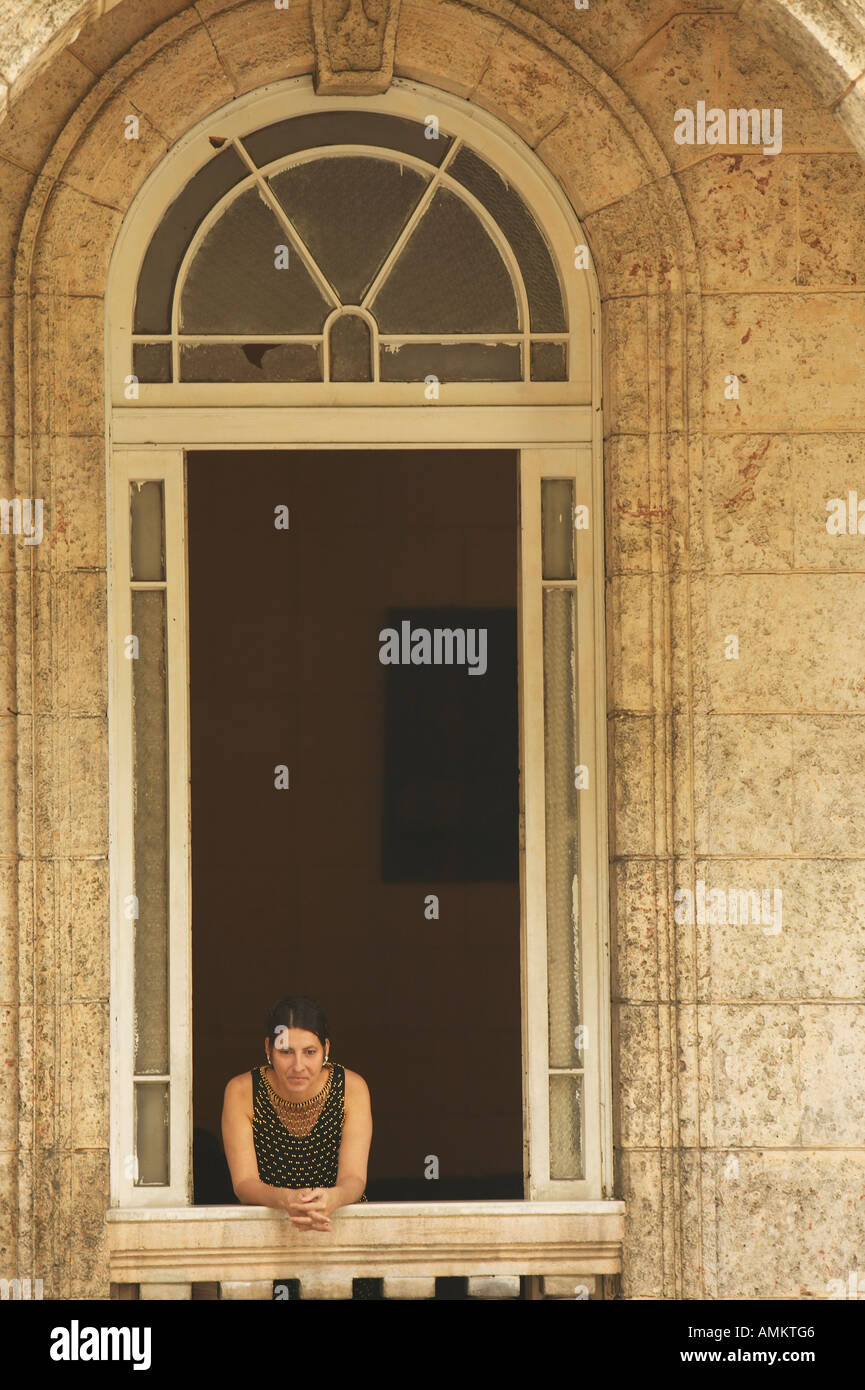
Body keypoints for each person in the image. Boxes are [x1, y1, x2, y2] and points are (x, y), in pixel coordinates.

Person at [221, 996, 372, 1231]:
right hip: (264, 1229)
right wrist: (287, 1200)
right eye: (286, 1052)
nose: (298, 1065)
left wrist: (334, 1198)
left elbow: (354, 1177)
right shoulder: (242, 1092)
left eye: (310, 1052)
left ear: (326, 1050)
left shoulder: (351, 1089)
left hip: (339, 1226)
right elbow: (244, 1183)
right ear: (268, 1049)